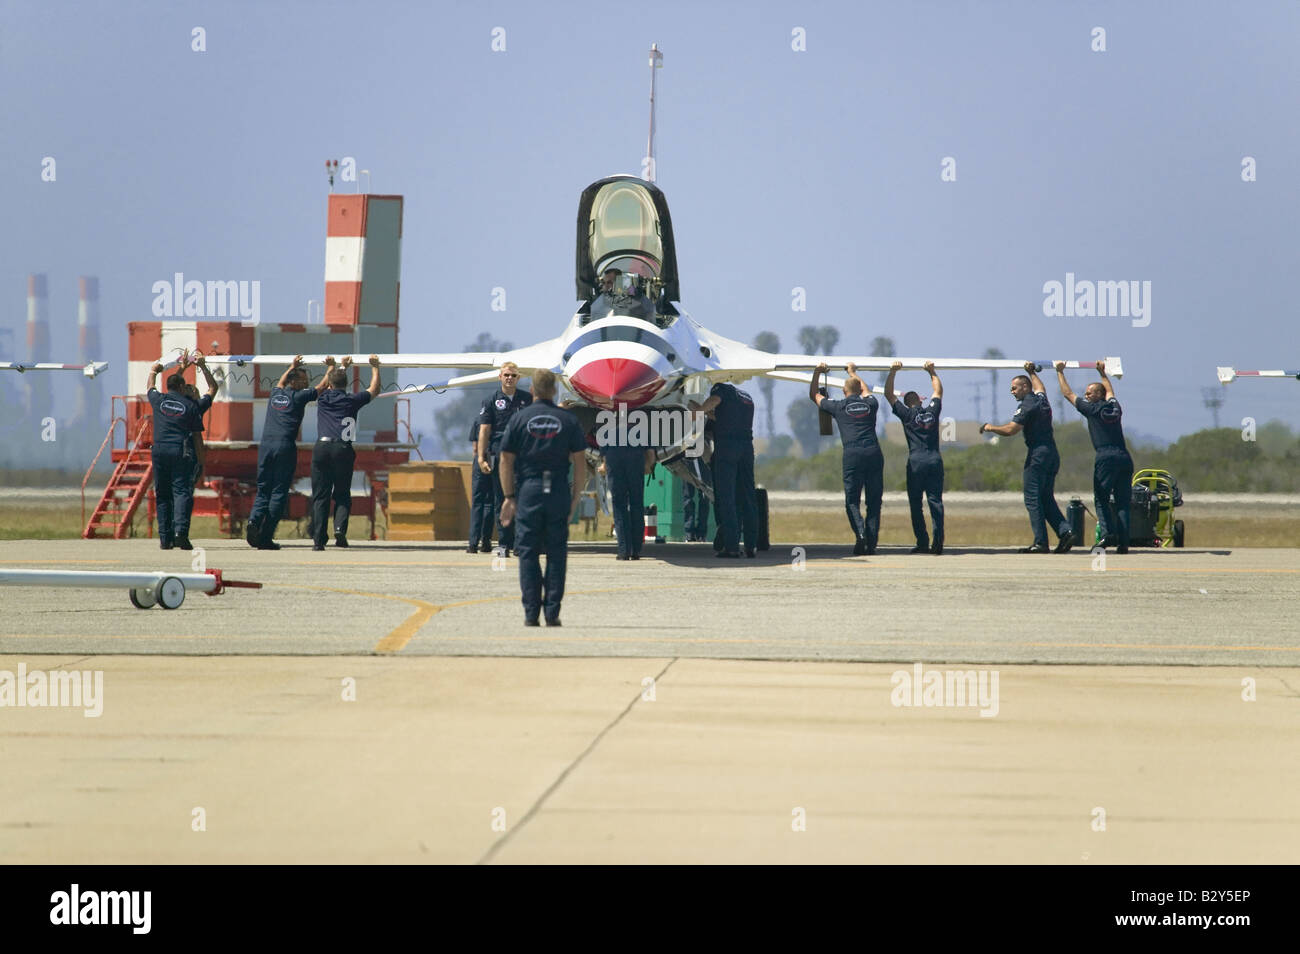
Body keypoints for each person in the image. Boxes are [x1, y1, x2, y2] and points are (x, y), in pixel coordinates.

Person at [498, 369, 587, 626]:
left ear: (533, 391)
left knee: (527, 552)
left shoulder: (519, 419)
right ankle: (552, 613)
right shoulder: (568, 420)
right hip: (557, 489)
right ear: (554, 391)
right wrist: (575, 497)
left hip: (529, 491)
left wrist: (508, 496)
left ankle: (530, 614)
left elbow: (505, 458)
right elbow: (580, 462)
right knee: (557, 554)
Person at [981, 362, 1075, 553]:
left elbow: (1011, 430)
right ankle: (1065, 532)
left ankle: (1041, 542)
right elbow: (1041, 387)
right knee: (1046, 497)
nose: (1012, 392)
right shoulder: (1041, 399)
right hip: (1052, 453)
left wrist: (990, 428)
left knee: (1032, 498)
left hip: (1038, 456)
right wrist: (1031, 372)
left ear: (1025, 387)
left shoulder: (1028, 405)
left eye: (1014, 388)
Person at [247, 355, 323, 550]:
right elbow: (321, 389)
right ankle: (265, 537)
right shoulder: (299, 396)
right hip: (284, 446)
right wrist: (331, 369)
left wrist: (292, 366)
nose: (307, 384)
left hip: (265, 446)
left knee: (263, 488)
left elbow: (281, 381)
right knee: (279, 491)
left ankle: (253, 522)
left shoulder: (275, 393)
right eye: (304, 381)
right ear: (295, 382)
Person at [1056, 360, 1133, 553]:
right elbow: (1111, 392)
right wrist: (1102, 373)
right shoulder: (1115, 408)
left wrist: (1060, 372)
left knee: (1101, 498)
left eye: (1089, 393)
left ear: (1098, 395)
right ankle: (1123, 543)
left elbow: (1067, 394)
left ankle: (1107, 534)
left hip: (1106, 456)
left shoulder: (1091, 409)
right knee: (1123, 502)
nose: (1086, 395)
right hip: (1124, 457)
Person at [810, 361, 882, 555]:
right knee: (874, 501)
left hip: (853, 454)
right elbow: (865, 390)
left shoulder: (838, 406)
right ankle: (872, 543)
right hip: (874, 452)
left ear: (844, 391)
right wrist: (853, 372)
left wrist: (817, 373)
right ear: (859, 389)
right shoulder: (871, 404)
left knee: (852, 500)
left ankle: (860, 534)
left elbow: (814, 395)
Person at [311, 354, 381, 551]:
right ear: (347, 384)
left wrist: (341, 366)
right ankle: (340, 529)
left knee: (320, 495)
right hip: (343, 449)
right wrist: (375, 367)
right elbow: (374, 390)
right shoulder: (353, 400)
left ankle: (318, 540)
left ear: (330, 386)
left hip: (322, 448)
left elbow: (325, 384)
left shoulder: (323, 398)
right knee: (342, 493)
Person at [690, 382, 757, 558]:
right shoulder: (746, 397)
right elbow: (724, 417)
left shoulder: (721, 389)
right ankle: (751, 546)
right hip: (747, 449)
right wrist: (708, 414)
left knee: (726, 498)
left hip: (727, 449)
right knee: (748, 497)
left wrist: (698, 411)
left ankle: (732, 546)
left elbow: (714, 400)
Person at [885, 360, 945, 555]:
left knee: (916, 503)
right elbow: (938, 392)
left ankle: (922, 541)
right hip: (935, 459)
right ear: (920, 400)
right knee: (935, 501)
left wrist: (893, 372)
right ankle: (938, 540)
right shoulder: (932, 411)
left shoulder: (907, 415)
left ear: (907, 403)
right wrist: (931, 371)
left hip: (916, 462)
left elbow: (888, 395)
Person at [144, 360, 205, 550]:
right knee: (181, 493)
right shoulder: (190, 405)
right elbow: (197, 436)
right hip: (179, 450)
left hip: (159, 451)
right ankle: (180, 533)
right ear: (181, 387)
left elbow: (150, 387)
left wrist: (153, 371)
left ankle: (165, 538)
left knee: (162, 495)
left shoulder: (159, 400)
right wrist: (201, 461)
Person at [477, 362, 532, 556]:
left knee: (522, 499)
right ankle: (503, 544)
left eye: (514, 376)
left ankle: (519, 544)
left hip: (523, 456)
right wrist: (481, 457)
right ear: (500, 377)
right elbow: (484, 430)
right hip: (500, 456)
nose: (510, 378)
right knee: (501, 500)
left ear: (519, 378)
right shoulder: (490, 401)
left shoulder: (528, 399)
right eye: (506, 375)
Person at [597, 432, 654, 560]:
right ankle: (636, 551)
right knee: (637, 505)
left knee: (619, 506)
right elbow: (650, 452)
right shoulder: (640, 430)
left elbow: (605, 456)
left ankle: (624, 551)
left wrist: (604, 467)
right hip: (636, 462)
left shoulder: (607, 431)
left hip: (615, 464)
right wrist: (648, 466)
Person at [466, 415, 495, 554]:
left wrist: (480, 459)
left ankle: (472, 543)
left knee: (477, 502)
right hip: (495, 459)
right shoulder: (501, 419)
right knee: (491, 502)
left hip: (480, 460)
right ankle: (486, 541)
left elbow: (475, 447)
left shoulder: (479, 420)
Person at [682, 455, 712, 542]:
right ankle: (690, 533)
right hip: (689, 458)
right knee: (689, 498)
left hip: (702, 459)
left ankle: (700, 533)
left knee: (704, 498)